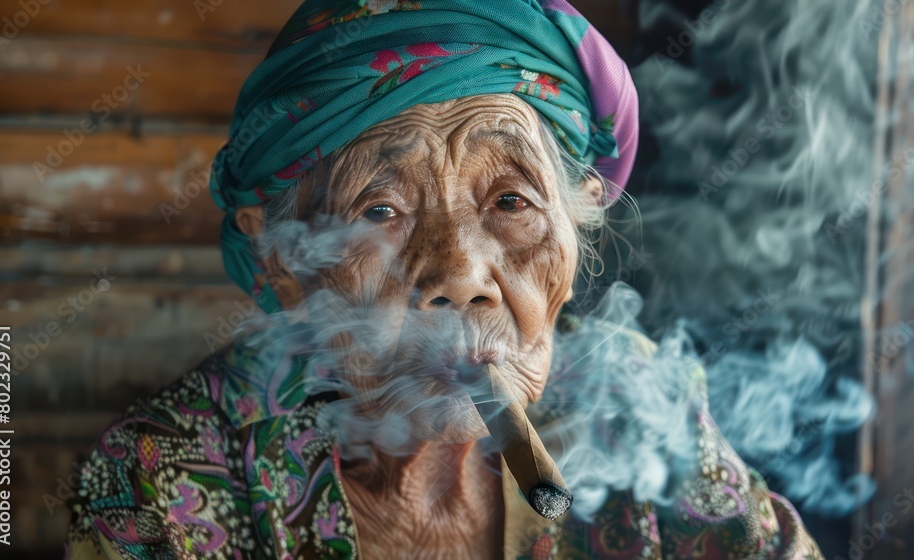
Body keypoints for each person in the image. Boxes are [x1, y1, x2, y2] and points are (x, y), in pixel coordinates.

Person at [66, 1, 824, 558]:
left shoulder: (636, 399)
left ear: (576, 223)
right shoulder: (164, 476)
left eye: (512, 201)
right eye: (382, 209)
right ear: (284, 262)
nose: (460, 277)